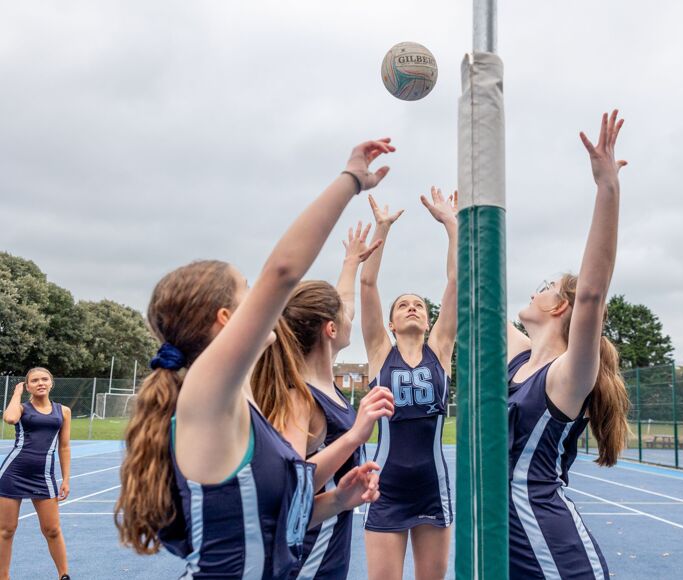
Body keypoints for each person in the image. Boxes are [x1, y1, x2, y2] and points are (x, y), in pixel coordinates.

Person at [115, 138, 395, 579]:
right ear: (226, 320)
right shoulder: (206, 394)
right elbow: (283, 271)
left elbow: (274, 522)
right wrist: (351, 180)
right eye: (248, 290)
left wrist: (339, 499)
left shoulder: (242, 407)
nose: (264, 304)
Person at [506, 110, 631, 580]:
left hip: (552, 550)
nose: (534, 289)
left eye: (546, 285)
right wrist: (460, 229)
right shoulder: (519, 361)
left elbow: (594, 293)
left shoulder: (566, 374)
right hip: (509, 544)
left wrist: (606, 189)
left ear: (561, 307)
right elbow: (478, 303)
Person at [251, 223, 395, 580]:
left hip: (327, 547)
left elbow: (340, 302)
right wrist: (354, 437)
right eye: (345, 317)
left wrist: (351, 263)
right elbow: (287, 489)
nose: (350, 318)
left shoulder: (322, 383)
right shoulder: (297, 397)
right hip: (306, 555)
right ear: (330, 330)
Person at [360, 187, 457, 580]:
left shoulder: (441, 351)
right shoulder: (381, 352)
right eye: (403, 305)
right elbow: (367, 287)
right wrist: (382, 230)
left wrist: (451, 225)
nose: (412, 307)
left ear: (430, 320)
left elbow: (454, 281)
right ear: (391, 323)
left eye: (419, 304)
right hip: (386, 487)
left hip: (433, 486)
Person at [0, 367, 71, 580]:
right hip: (13, 474)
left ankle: (64, 575)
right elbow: (10, 418)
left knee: (52, 530)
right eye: (34, 380)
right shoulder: (21, 408)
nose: (40, 383)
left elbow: (64, 447)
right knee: (6, 530)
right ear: (27, 385)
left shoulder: (63, 411)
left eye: (44, 379)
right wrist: (16, 393)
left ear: (51, 383)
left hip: (44, 477)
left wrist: (66, 478)